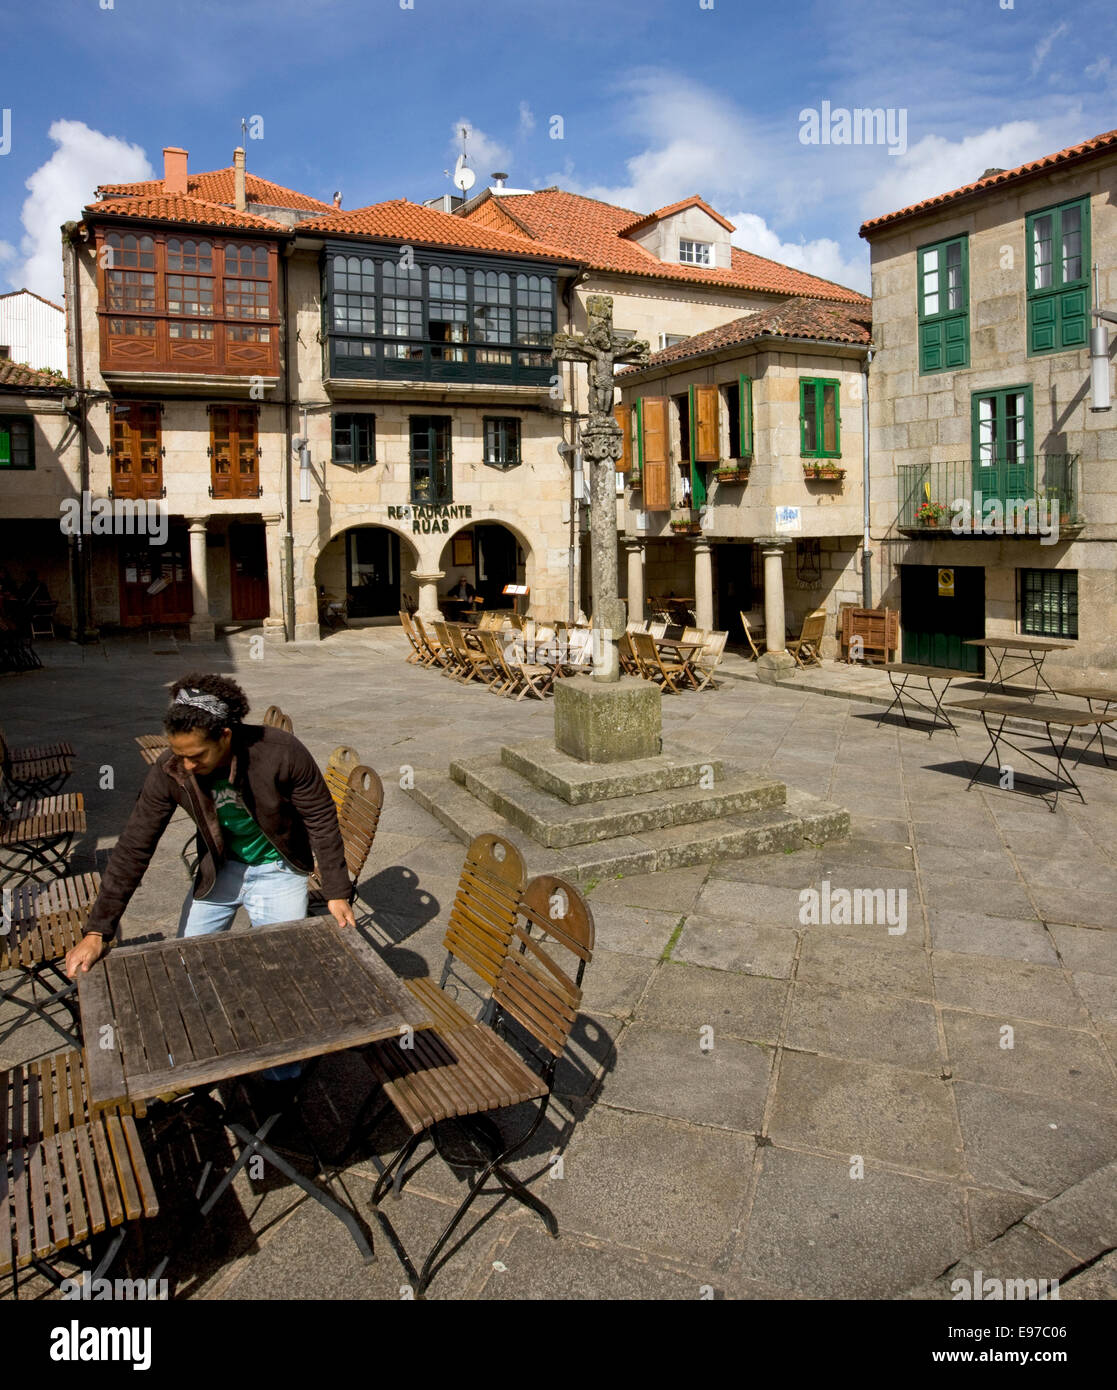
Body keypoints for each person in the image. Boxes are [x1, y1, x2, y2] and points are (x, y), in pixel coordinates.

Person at [65, 672, 356, 982]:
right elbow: (135, 844)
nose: (186, 766)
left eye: (196, 756)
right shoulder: (170, 770)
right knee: (188, 966)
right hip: (220, 869)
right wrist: (97, 930)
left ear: (225, 736)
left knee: (281, 969)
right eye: (180, 755)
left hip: (278, 870)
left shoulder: (281, 752)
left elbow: (321, 819)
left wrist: (336, 892)